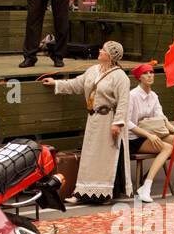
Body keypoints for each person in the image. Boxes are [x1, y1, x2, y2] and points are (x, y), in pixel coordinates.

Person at [41, 40, 129, 201]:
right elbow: (77, 84)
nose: (100, 51)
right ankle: (81, 192)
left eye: (103, 50)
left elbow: (123, 101)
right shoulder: (93, 70)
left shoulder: (120, 76)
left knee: (104, 157)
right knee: (88, 156)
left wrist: (117, 123)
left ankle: (104, 194)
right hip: (93, 119)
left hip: (108, 119)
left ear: (110, 56)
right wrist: (56, 83)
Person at [126, 64, 174, 203]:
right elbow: (128, 123)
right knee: (167, 147)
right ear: (139, 77)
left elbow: (162, 118)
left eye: (151, 73)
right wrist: (148, 135)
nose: (149, 75)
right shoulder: (132, 96)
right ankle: (145, 186)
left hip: (152, 135)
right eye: (146, 73)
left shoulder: (153, 96)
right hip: (134, 138)